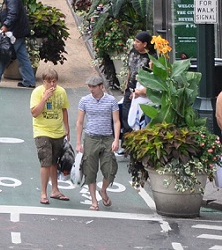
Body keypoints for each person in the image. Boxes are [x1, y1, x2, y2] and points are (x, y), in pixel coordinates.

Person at [75, 73, 120, 210]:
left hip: (107, 138)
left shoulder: (111, 101)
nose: (91, 89)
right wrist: (78, 142)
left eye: (94, 86)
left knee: (110, 169)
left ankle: (103, 190)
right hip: (91, 138)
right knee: (90, 169)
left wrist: (116, 140)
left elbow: (116, 121)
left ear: (101, 86)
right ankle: (94, 201)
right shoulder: (84, 100)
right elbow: (80, 122)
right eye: (89, 86)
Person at [30, 64, 70, 205]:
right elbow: (34, 113)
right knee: (45, 162)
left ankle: (55, 190)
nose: (52, 84)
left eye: (54, 81)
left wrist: (67, 129)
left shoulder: (61, 92)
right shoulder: (37, 92)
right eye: (49, 82)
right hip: (42, 131)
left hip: (58, 132)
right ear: (44, 82)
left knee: (54, 163)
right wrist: (44, 99)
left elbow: (64, 110)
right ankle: (43, 192)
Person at [121, 30, 152, 134]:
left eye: (138, 42)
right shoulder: (133, 51)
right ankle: (126, 140)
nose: (135, 43)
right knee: (125, 116)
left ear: (145, 44)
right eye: (135, 41)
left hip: (141, 92)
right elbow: (130, 69)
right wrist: (126, 86)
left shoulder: (151, 57)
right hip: (130, 88)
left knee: (136, 119)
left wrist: (138, 92)